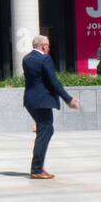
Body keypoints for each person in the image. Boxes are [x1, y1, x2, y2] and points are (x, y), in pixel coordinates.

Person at [22, 35, 79, 179]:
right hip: (43, 101)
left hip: (30, 100)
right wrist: (68, 99)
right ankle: (36, 169)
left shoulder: (27, 58)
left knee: (45, 130)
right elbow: (53, 81)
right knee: (45, 131)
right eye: (48, 45)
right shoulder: (45, 59)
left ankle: (38, 167)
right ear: (43, 46)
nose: (49, 47)